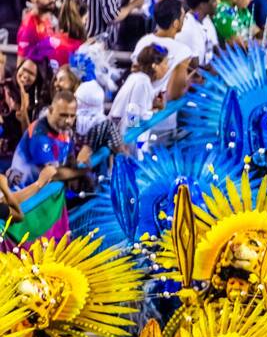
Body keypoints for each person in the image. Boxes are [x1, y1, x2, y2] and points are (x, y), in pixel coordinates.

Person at [7, 88, 89, 239]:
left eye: (72, 116)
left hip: (40, 195)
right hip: (23, 197)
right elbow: (54, 174)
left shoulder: (65, 130)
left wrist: (79, 161)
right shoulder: (39, 134)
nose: (68, 120)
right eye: (63, 115)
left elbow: (68, 160)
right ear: (51, 111)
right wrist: (84, 171)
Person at [131, 0, 192, 101]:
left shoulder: (143, 41)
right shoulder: (184, 52)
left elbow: (134, 71)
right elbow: (175, 94)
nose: (184, 20)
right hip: (162, 112)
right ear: (176, 23)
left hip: (136, 103)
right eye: (183, 17)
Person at [109, 43, 169, 136]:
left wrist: (153, 106)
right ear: (155, 66)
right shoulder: (142, 82)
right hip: (126, 140)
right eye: (165, 63)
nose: (167, 67)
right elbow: (133, 119)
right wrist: (156, 112)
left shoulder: (138, 78)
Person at [0, 56, 46, 168]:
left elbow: (30, 140)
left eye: (31, 73)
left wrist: (24, 113)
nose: (25, 75)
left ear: (37, 78)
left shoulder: (38, 103)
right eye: (24, 69)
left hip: (18, 157)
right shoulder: (3, 88)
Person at [177, 0, 217, 67]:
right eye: (213, 1)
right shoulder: (188, 29)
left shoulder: (207, 21)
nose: (216, 4)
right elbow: (195, 68)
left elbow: (216, 49)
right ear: (202, 5)